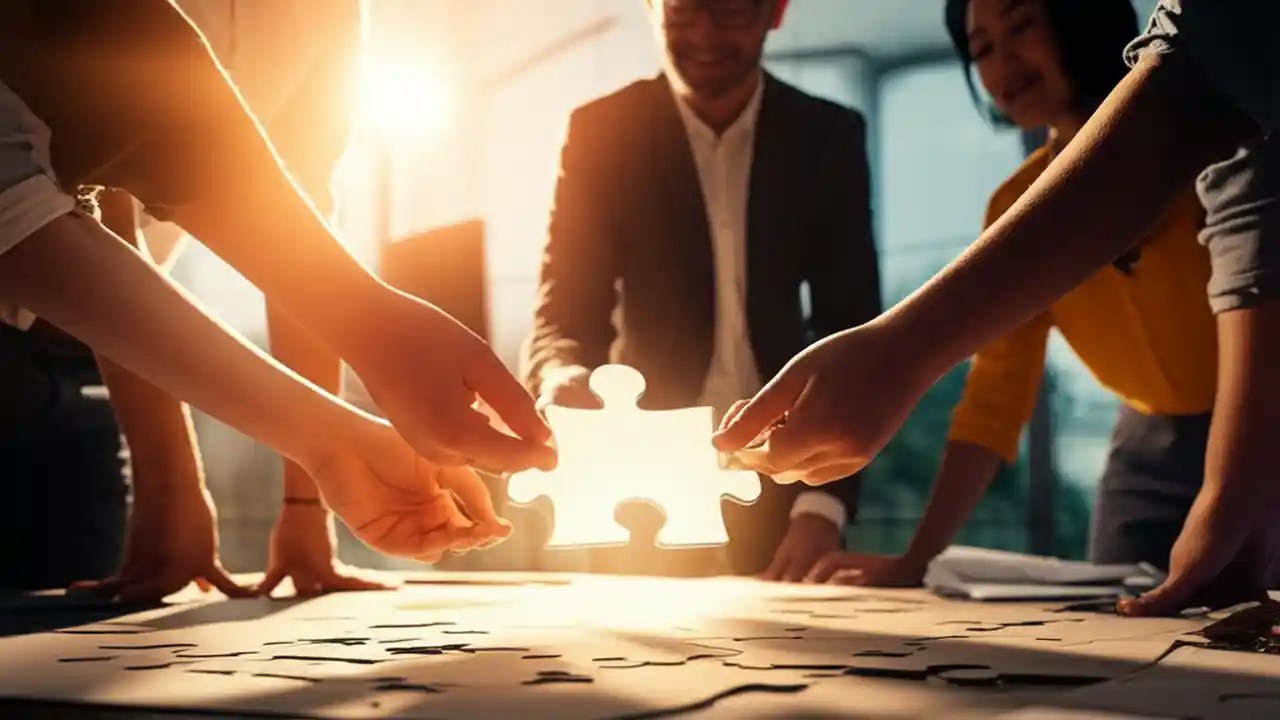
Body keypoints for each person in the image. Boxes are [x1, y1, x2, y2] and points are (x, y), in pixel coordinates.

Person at [715, 0, 1279, 615]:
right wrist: (918, 560)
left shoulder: (1223, 145)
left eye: (1021, 26)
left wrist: (897, 353)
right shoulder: (1014, 206)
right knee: (1140, 623)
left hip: (1262, 410)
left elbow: (1235, 184)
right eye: (981, 49)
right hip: (1145, 445)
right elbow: (994, 402)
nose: (1003, 61)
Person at [0, 1, 554, 569]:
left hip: (90, 356)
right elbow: (69, 190)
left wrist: (322, 468)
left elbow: (33, 203)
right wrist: (171, 482)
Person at [523, 0, 880, 579]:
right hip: (638, 470)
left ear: (776, 11)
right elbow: (564, 308)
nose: (706, 34)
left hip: (786, 469)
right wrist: (559, 374)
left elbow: (852, 327)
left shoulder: (827, 136)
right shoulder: (601, 132)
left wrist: (824, 505)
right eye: (684, 11)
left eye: (731, 10)